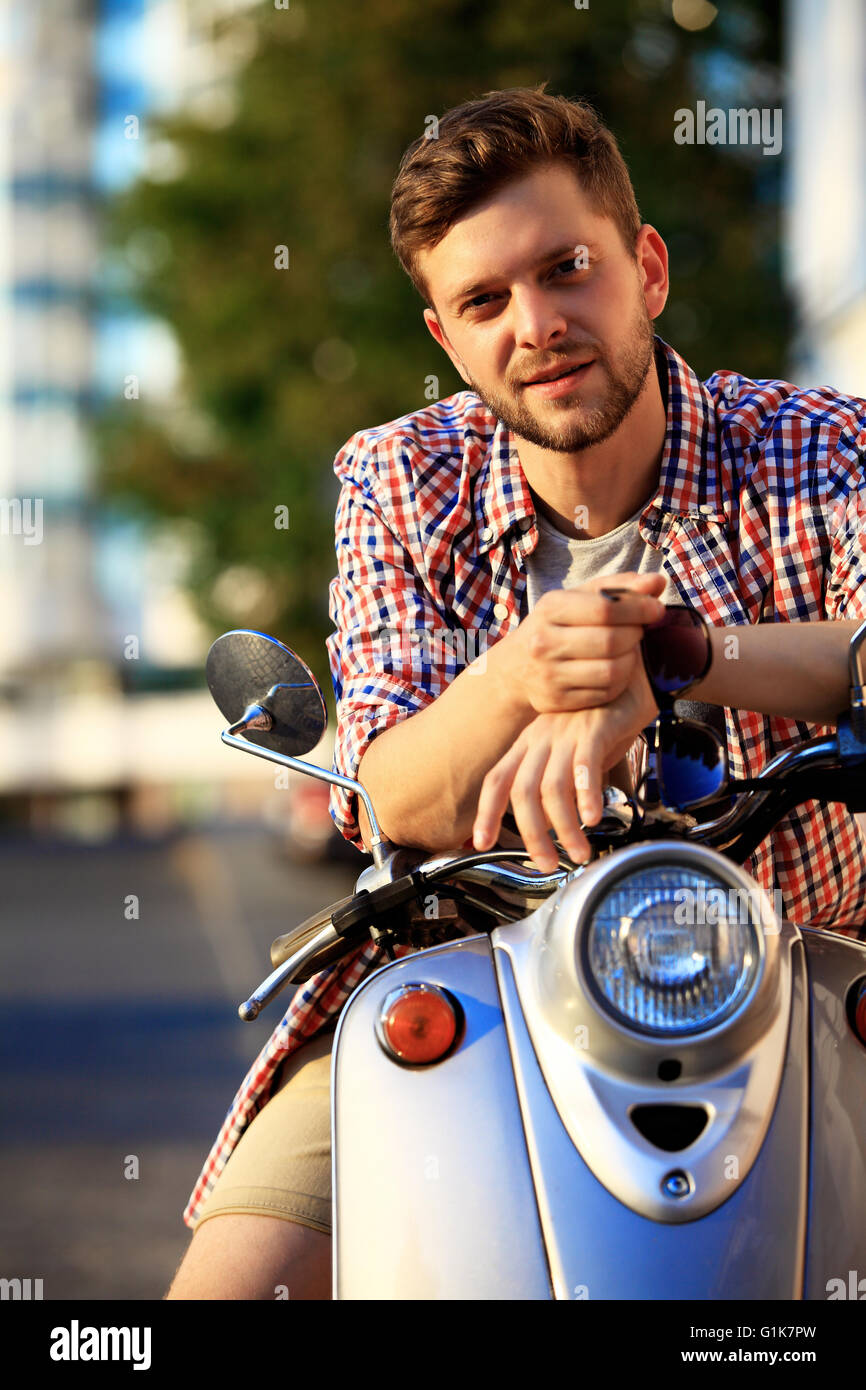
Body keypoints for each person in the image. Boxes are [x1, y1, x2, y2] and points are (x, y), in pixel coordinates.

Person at [166, 84, 866, 1301]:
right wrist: (521, 673)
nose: (535, 324)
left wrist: (671, 660)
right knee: (232, 1288)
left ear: (644, 267)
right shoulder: (400, 478)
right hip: (478, 992)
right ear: (443, 335)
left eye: (566, 268)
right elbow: (388, 793)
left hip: (806, 982)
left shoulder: (818, 448)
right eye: (484, 299)